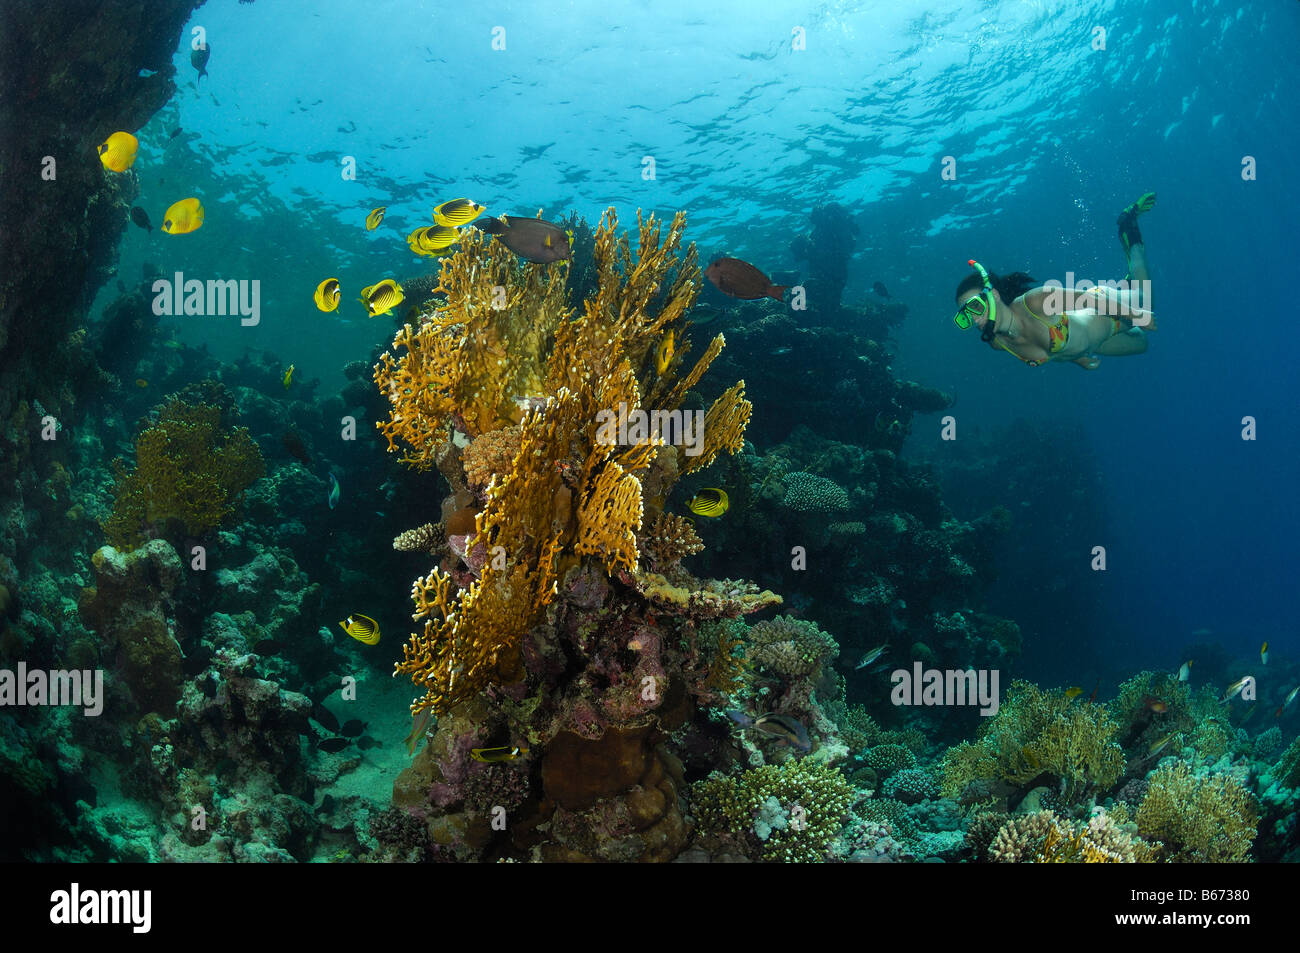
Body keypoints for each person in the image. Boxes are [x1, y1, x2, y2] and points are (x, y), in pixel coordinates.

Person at [953, 193, 1158, 369]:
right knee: (1143, 344)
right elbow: (1050, 349)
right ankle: (1129, 286)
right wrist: (1077, 359)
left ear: (994, 295)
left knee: (1148, 301)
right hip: (1095, 344)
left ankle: (1127, 226)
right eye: (965, 317)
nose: (975, 320)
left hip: (1105, 311)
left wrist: (1135, 314)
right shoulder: (998, 342)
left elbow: (1088, 300)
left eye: (975, 307)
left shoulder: (1034, 301)